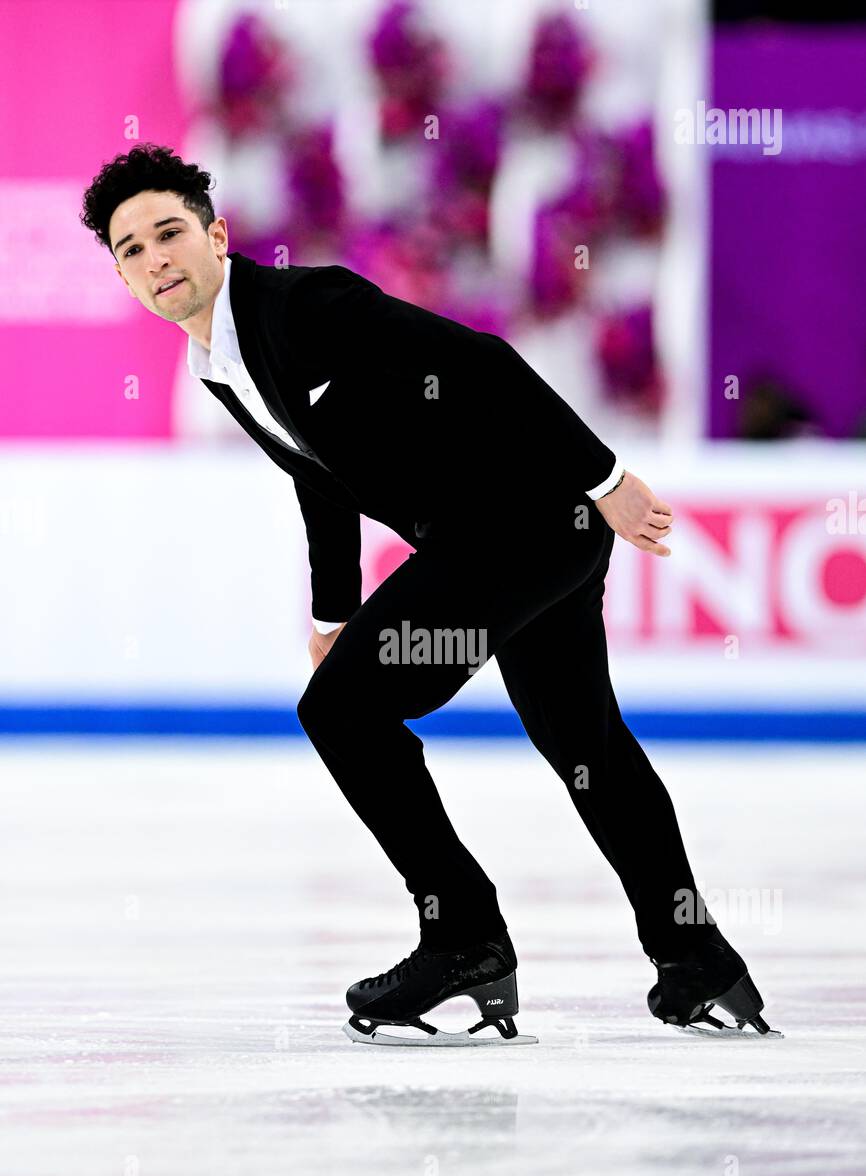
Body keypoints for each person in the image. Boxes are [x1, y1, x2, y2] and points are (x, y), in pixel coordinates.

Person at [81, 144, 780, 1045]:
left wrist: (606, 480)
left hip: (523, 523)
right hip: (523, 538)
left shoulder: (306, 307)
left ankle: (464, 938)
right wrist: (333, 617)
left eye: (169, 233)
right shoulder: (216, 359)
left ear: (217, 233)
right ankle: (698, 962)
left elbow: (483, 361)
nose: (154, 260)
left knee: (343, 714)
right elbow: (319, 476)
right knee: (586, 745)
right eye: (130, 250)